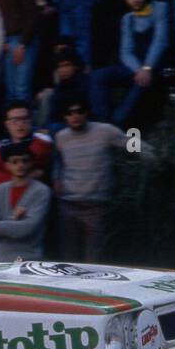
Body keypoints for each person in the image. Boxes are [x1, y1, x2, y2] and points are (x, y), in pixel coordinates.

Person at [53, 100, 127, 262]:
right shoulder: (61, 137)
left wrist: (157, 157)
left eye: (79, 111)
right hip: (68, 207)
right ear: (64, 117)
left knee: (95, 262)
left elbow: (134, 145)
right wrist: (57, 178)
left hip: (97, 208)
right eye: (70, 113)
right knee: (68, 261)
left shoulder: (105, 131)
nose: (75, 116)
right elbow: (58, 162)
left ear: (86, 112)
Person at [89, 0, 171, 128]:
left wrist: (146, 68)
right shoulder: (128, 18)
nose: (134, 0)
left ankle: (117, 123)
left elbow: (160, 41)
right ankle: (103, 122)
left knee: (140, 85)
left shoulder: (160, 8)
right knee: (97, 76)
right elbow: (126, 51)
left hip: (155, 66)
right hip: (135, 67)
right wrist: (139, 69)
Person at [0, 144, 51, 261]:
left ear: (30, 163)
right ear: (7, 165)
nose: (20, 165)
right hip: (1, 258)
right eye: (15, 162)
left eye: (25, 161)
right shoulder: (0, 190)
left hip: (29, 259)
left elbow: (27, 229)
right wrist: (13, 222)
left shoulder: (41, 191)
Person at [0, 100, 53, 189]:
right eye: (15, 120)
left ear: (31, 120)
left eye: (24, 119)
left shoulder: (42, 141)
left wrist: (7, 175)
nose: (20, 124)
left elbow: (26, 161)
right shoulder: (0, 146)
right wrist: (25, 177)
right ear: (7, 124)